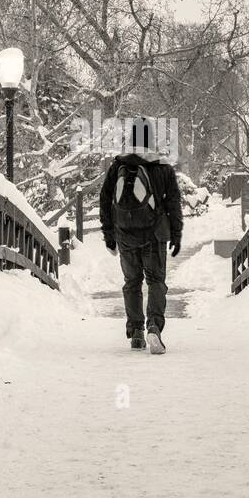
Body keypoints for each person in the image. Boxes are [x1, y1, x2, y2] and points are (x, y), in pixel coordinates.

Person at [99, 117, 183, 354]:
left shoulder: (118, 166)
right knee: (156, 281)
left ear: (131, 137)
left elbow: (105, 201)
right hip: (155, 235)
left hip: (125, 235)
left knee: (132, 282)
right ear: (152, 138)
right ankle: (154, 326)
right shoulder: (162, 167)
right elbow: (173, 203)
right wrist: (176, 234)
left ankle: (136, 331)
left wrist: (109, 235)